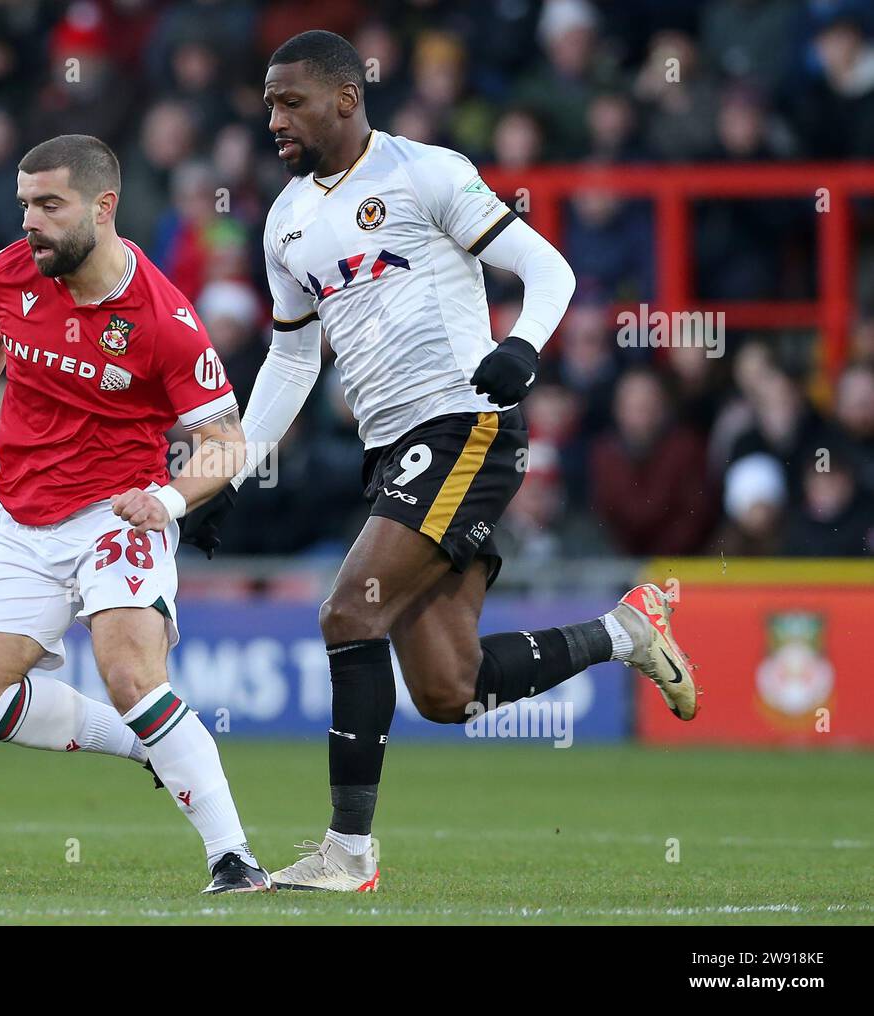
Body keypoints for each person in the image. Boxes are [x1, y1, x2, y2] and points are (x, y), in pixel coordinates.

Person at [184, 32, 699, 892]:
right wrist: (232, 469)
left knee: (349, 612)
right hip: (394, 452)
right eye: (268, 102)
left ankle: (348, 854)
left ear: (346, 98)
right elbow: (293, 362)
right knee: (448, 690)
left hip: (465, 428)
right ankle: (625, 632)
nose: (273, 118)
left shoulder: (424, 171)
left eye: (290, 101)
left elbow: (549, 269)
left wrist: (525, 347)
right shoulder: (285, 220)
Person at [0, 134, 270, 894]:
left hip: (119, 513)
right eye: (24, 204)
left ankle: (234, 859)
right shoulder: (7, 275)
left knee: (129, 671)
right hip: (20, 521)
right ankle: (148, 745)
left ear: (103, 207)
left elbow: (226, 441)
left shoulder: (163, 317)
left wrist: (170, 499)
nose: (30, 222)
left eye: (49, 205)